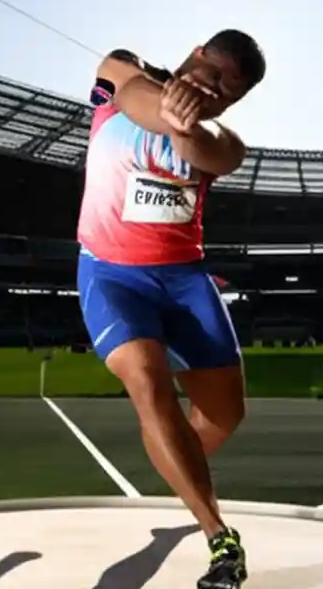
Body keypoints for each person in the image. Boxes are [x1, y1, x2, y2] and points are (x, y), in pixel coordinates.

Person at [76, 29, 265, 589]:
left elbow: (209, 151)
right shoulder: (126, 69)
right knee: (146, 378)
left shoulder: (224, 140)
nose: (214, 94)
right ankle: (219, 537)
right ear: (199, 53)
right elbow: (131, 92)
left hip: (185, 281)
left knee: (225, 415)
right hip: (112, 273)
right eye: (214, 77)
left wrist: (186, 123)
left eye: (227, 95)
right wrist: (168, 105)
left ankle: (176, 463)